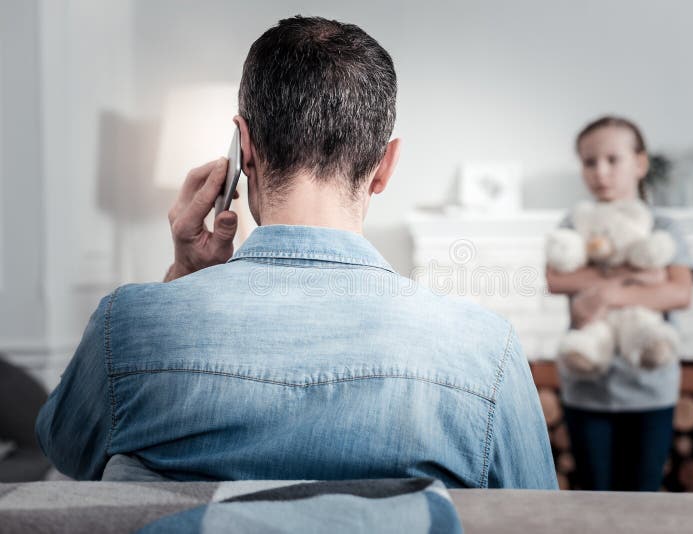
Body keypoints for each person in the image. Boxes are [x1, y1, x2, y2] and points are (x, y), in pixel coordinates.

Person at [35, 16, 557, 489]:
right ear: (385, 167)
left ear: (244, 148)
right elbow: (536, 513)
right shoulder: (487, 351)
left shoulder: (128, 326)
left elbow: (68, 455)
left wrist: (183, 277)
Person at [546, 116, 693, 491]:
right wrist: (636, 273)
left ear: (640, 164)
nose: (601, 172)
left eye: (613, 159)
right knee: (594, 495)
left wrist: (609, 291)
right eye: (589, 161)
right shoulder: (574, 221)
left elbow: (679, 292)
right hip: (586, 388)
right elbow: (558, 278)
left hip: (649, 387)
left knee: (641, 494)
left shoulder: (663, 226)